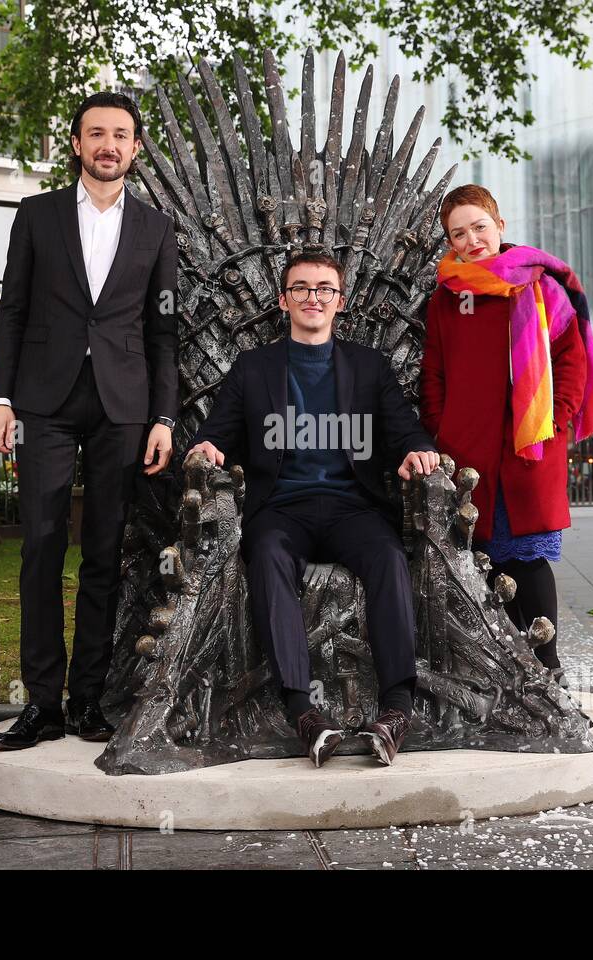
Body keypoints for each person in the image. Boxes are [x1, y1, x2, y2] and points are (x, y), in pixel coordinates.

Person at [186, 251, 439, 768]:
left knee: (389, 559)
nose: (312, 297)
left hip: (353, 507)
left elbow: (402, 428)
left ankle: (395, 710)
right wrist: (206, 448)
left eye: (324, 288)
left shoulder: (369, 367)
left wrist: (416, 448)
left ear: (339, 302)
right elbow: (217, 431)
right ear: (283, 300)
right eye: (300, 288)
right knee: (269, 556)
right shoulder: (253, 368)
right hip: (281, 508)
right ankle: (304, 713)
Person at [0, 92, 178, 750]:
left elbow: (163, 332)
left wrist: (163, 416)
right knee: (40, 547)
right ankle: (42, 704)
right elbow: (11, 310)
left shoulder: (156, 229)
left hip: (122, 407)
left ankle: (88, 699)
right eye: (96, 133)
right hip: (43, 400)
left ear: (135, 148)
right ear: (75, 144)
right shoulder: (35, 217)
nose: (108, 144)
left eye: (120, 135)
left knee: (104, 554)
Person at [420, 184, 593, 689]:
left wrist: (560, 418)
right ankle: (500, 678)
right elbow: (433, 372)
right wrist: (439, 431)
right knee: (480, 562)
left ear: (499, 225)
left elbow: (571, 358)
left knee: (528, 559)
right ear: (450, 242)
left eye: (479, 226)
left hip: (531, 445)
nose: (472, 239)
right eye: (458, 233)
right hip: (468, 450)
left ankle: (548, 677)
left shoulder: (541, 283)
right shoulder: (446, 297)